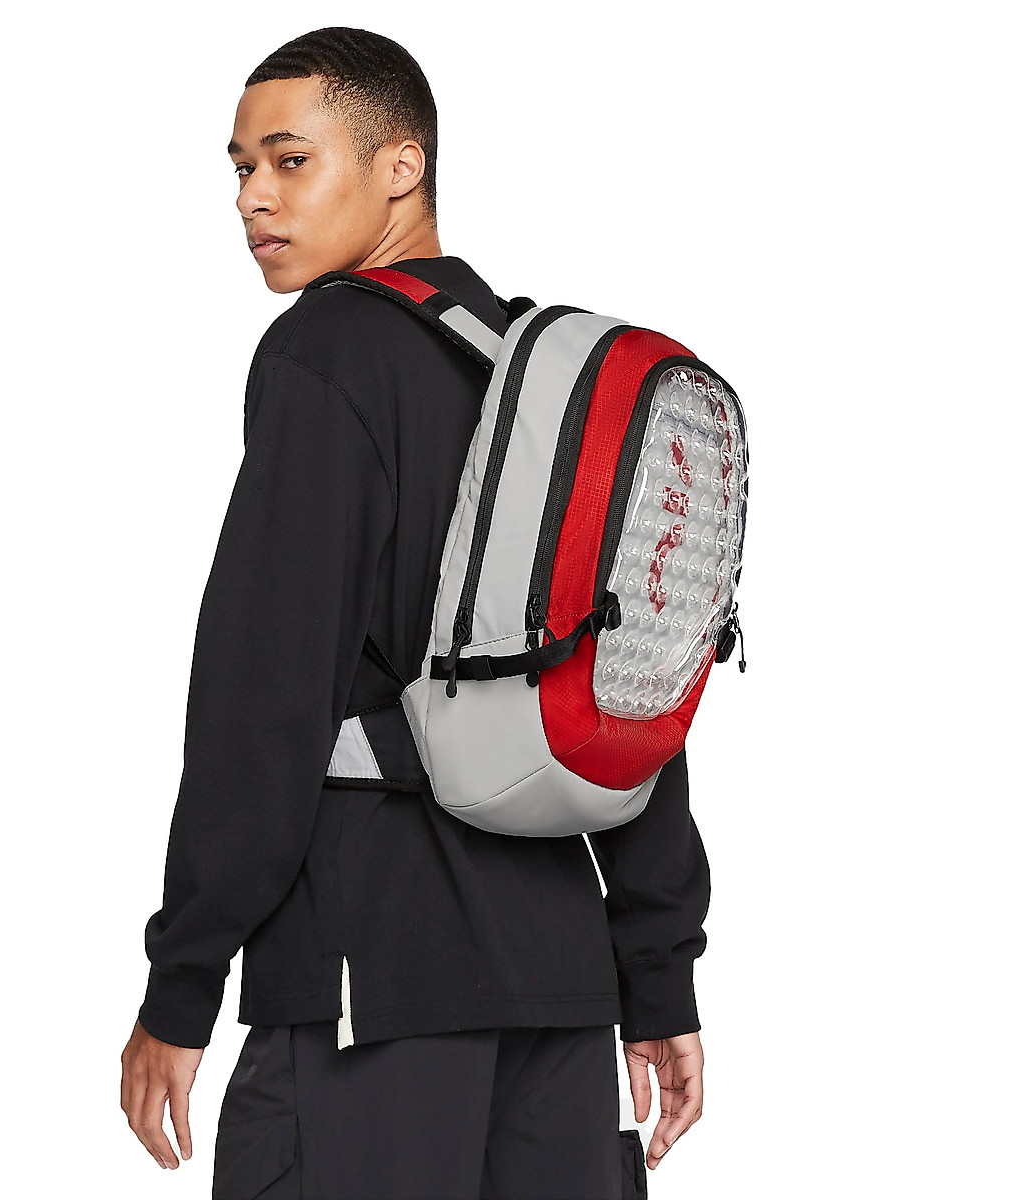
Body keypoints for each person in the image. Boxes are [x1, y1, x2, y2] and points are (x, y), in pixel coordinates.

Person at [119, 26, 710, 1199]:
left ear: (402, 165)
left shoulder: (325, 355)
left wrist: (181, 984)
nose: (253, 197)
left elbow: (261, 698)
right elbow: (626, 682)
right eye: (241, 167)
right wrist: (657, 976)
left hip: (372, 983)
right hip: (560, 985)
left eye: (290, 160)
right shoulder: (542, 376)